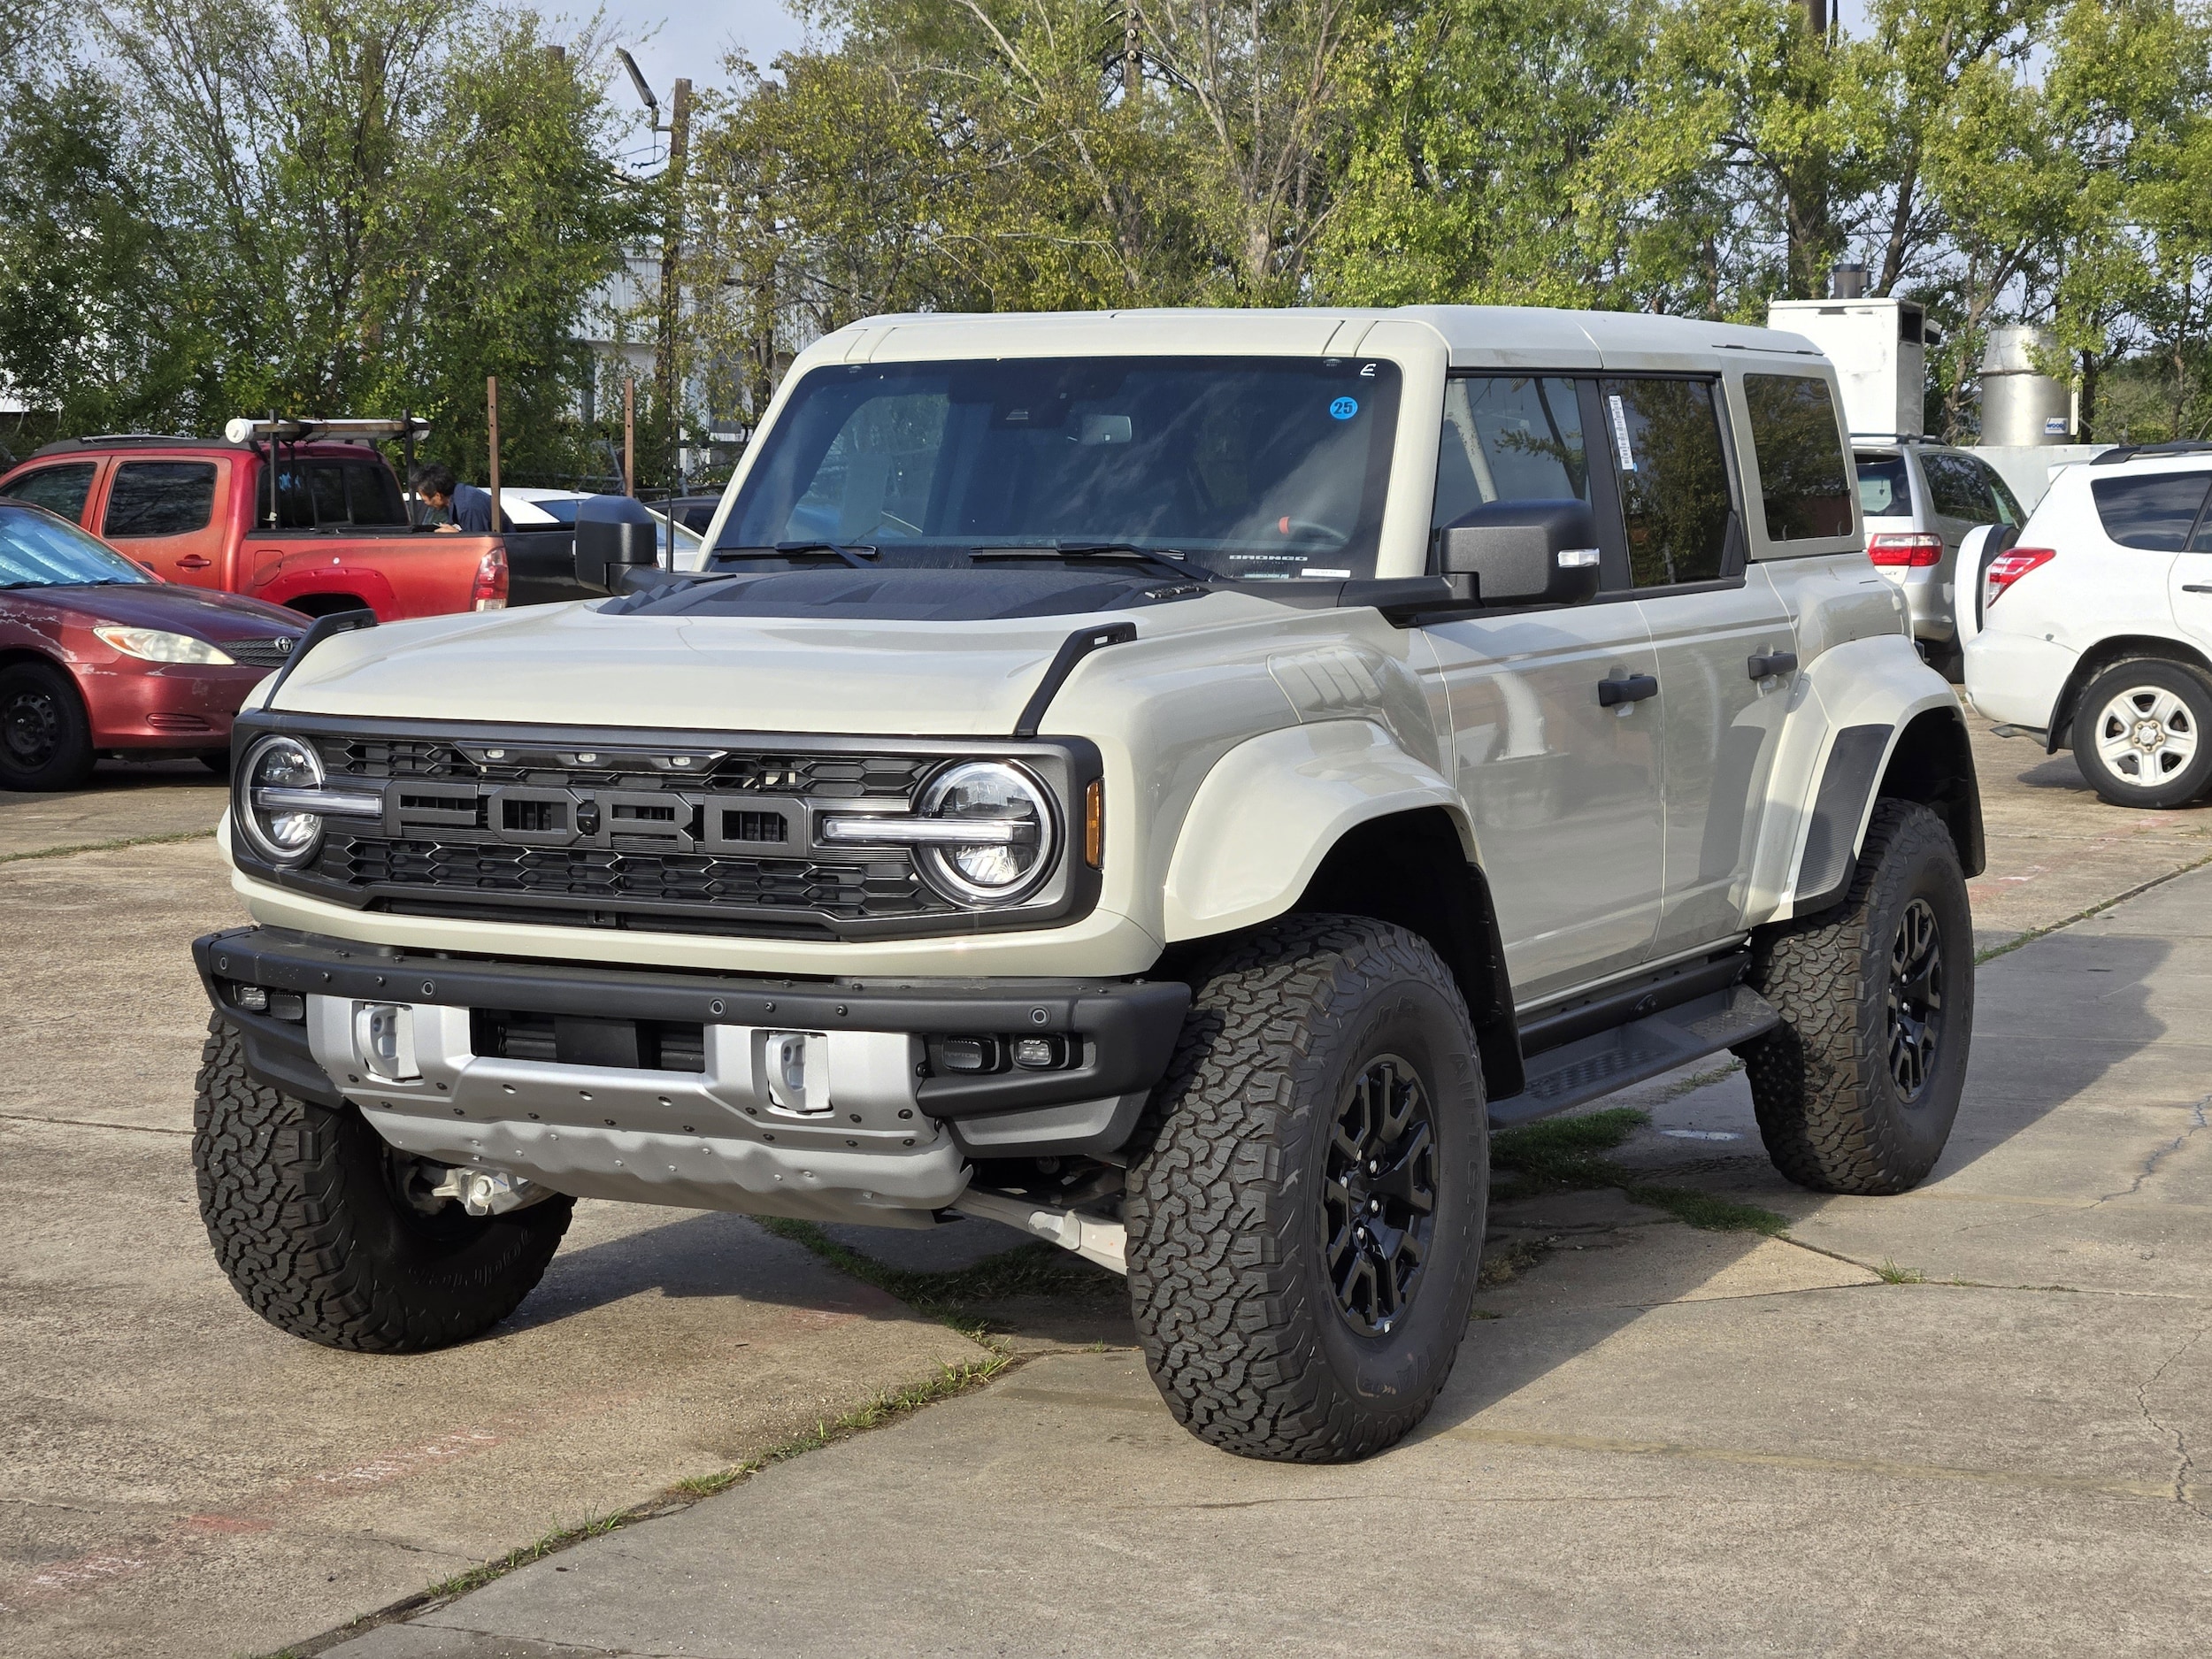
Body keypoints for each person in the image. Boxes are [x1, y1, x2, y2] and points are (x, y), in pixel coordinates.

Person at [409, 463, 502, 533]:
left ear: (438, 496)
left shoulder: (467, 507)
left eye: (424, 499)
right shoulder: (462, 497)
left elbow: (478, 544)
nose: (425, 503)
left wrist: (456, 536)